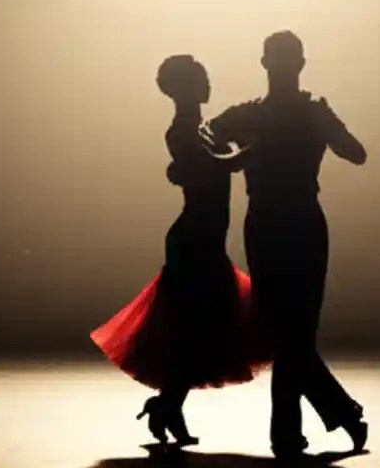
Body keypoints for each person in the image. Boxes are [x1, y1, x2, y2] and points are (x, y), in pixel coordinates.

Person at [90, 55, 270, 445]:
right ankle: (167, 407)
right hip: (194, 241)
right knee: (194, 329)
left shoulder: (201, 128)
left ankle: (167, 407)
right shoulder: (182, 130)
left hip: (204, 238)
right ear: (184, 88)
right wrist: (254, 148)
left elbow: (216, 161)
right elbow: (217, 166)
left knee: (199, 330)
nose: (207, 85)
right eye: (200, 80)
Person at [206, 31, 369, 459]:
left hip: (283, 224)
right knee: (289, 332)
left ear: (271, 63)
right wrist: (237, 154)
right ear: (297, 63)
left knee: (290, 333)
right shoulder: (264, 113)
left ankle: (302, 429)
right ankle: (326, 418)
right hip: (284, 224)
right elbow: (208, 135)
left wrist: (240, 152)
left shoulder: (265, 114)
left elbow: (356, 153)